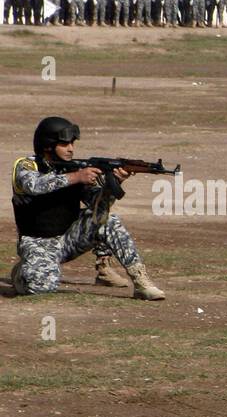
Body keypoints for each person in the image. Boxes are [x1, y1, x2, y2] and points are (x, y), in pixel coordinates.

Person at [10, 117, 165, 300]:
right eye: (64, 144)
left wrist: (113, 184)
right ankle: (22, 273)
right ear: (47, 145)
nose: (71, 148)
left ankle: (141, 282)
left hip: (68, 238)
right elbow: (33, 185)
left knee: (107, 219)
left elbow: (98, 206)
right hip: (37, 243)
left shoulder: (76, 169)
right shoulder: (27, 165)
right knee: (41, 288)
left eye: (72, 143)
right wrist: (76, 177)